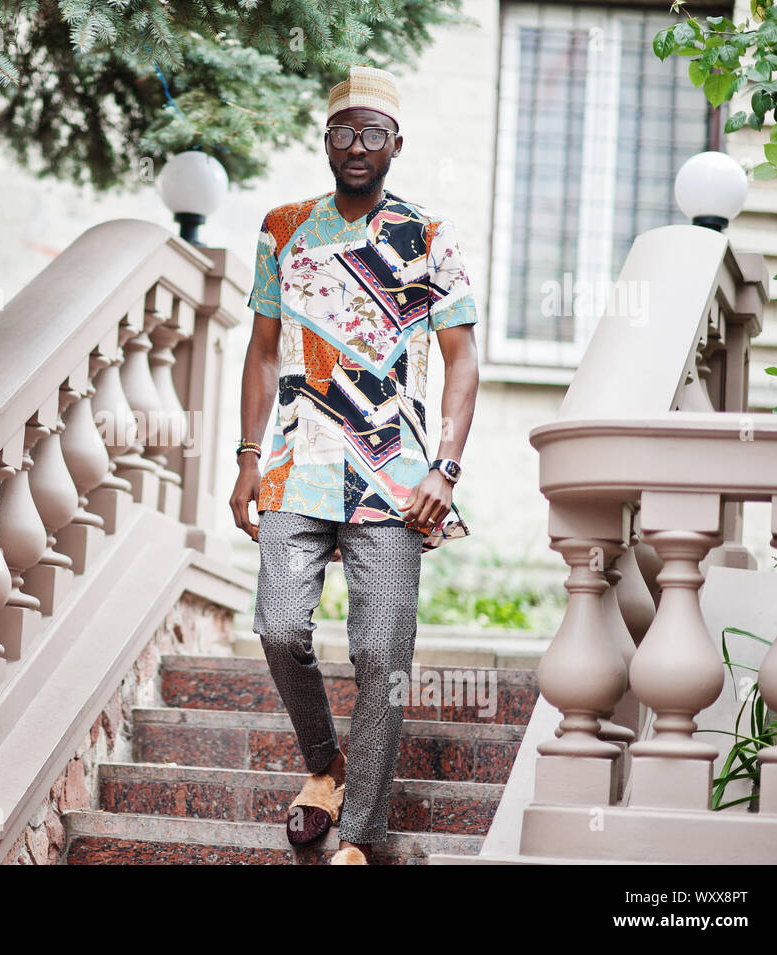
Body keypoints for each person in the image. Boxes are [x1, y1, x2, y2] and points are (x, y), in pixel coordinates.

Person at [229, 65, 480, 865]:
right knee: (277, 626)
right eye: (344, 132)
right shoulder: (283, 227)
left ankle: (361, 834)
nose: (358, 147)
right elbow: (263, 352)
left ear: (396, 143)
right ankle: (324, 762)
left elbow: (463, 358)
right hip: (298, 458)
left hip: (396, 472)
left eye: (374, 133)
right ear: (326, 139)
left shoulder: (430, 237)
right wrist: (245, 456)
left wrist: (446, 466)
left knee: (382, 653)